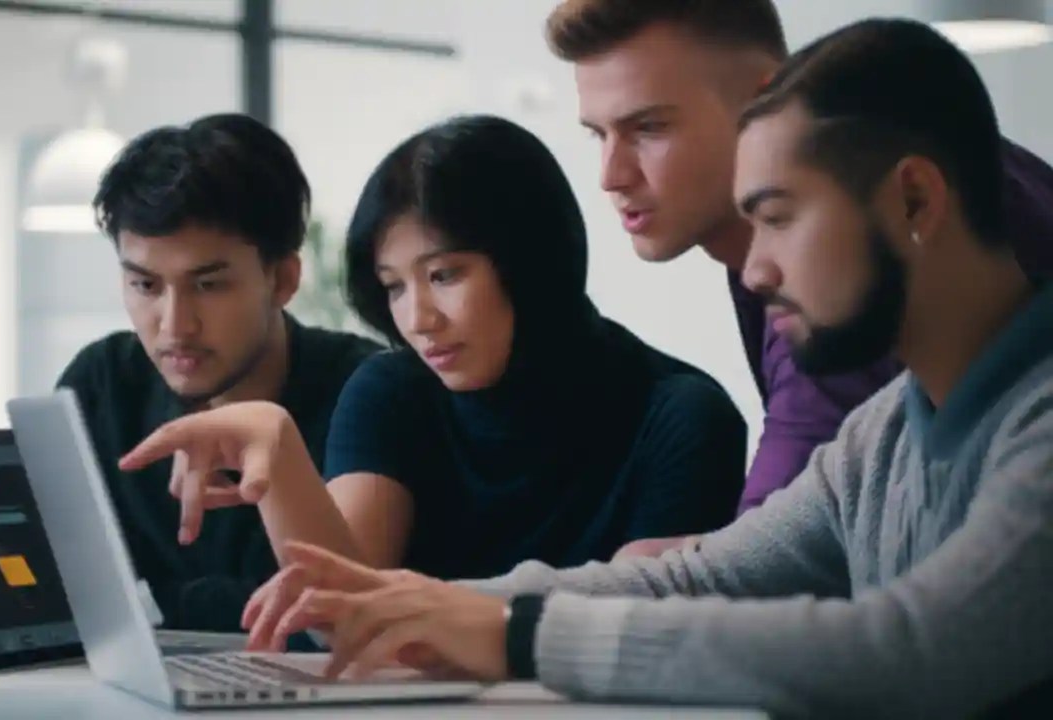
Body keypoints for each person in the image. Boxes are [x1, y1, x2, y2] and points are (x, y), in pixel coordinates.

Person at [199, 19, 1053, 718]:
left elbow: (915, 650)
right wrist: (433, 607)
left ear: (915, 201)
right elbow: (697, 579)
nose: (753, 274)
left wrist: (512, 635)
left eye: (781, 219)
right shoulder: (880, 435)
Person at [119, 114, 748, 625]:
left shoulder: (680, 414)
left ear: (528, 258)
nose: (417, 319)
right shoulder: (391, 391)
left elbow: (629, 629)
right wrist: (277, 447)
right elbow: (342, 608)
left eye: (445, 275)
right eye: (394, 287)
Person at [541, 0, 1053, 557]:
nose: (611, 176)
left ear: (763, 99)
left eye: (648, 128)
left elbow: (776, 572)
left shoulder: (861, 250)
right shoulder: (786, 242)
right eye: (598, 135)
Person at [56, 114, 381, 632]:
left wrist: (152, 602)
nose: (174, 326)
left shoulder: (365, 392)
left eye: (208, 286)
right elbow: (55, 592)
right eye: (145, 286)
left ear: (283, 280)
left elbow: (339, 612)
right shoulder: (103, 384)